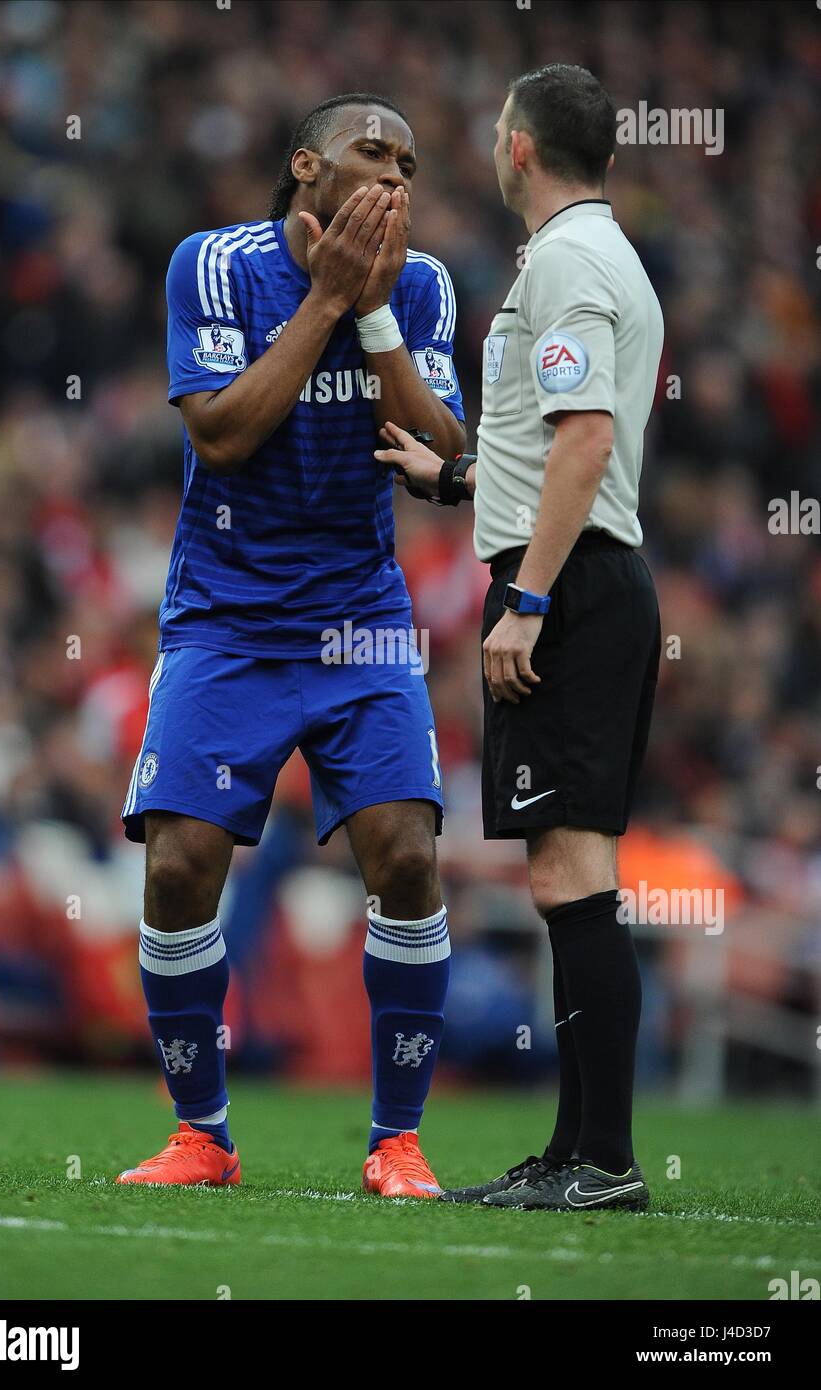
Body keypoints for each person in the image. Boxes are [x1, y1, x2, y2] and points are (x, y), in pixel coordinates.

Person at [116, 93, 466, 1198]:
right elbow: (219, 433)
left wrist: (372, 316)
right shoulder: (211, 265)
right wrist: (323, 300)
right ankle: (202, 1136)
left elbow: (443, 453)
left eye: (409, 162)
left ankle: (396, 1143)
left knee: (407, 856)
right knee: (177, 867)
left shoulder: (423, 284)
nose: (395, 176)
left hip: (360, 615)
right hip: (226, 615)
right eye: (375, 153)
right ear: (306, 163)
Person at [376, 64, 663, 1211]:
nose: (492, 148)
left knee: (571, 869)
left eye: (497, 133)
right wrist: (452, 474)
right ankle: (574, 1151)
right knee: (561, 873)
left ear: (520, 148)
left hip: (574, 589)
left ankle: (602, 1159)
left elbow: (585, 444)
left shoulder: (569, 263)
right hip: (580, 574)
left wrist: (528, 595)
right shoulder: (589, 256)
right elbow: (551, 450)